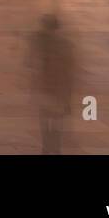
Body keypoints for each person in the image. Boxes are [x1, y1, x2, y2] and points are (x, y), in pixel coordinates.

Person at [30, 12, 75, 154]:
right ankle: (52, 147)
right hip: (53, 88)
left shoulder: (40, 42)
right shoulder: (64, 44)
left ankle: (49, 147)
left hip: (50, 88)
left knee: (48, 118)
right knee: (53, 119)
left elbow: (31, 65)